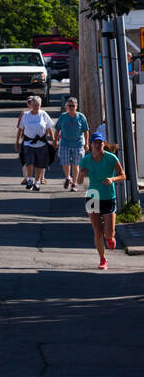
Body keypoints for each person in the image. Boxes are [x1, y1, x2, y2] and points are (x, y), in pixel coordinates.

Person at [78, 131, 127, 269]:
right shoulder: (85, 160)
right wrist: (82, 173)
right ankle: (102, 259)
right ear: (91, 145)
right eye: (96, 143)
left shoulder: (111, 158)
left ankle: (110, 237)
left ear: (103, 144)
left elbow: (123, 175)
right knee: (97, 230)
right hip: (93, 195)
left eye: (100, 142)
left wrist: (112, 179)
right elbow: (79, 182)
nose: (98, 145)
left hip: (108, 196)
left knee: (108, 232)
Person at [13, 95, 54, 191]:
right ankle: (30, 180)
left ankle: (37, 182)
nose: (36, 107)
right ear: (31, 105)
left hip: (41, 143)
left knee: (40, 164)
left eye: (38, 105)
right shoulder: (26, 115)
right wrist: (17, 142)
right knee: (29, 161)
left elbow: (49, 127)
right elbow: (20, 129)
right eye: (35, 105)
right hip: (28, 143)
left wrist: (53, 139)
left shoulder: (43, 114)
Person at [53, 96, 89, 190]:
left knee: (76, 164)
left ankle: (74, 184)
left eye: (73, 105)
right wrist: (55, 141)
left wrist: (87, 144)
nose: (71, 107)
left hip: (78, 144)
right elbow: (57, 129)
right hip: (65, 143)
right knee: (65, 162)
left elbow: (86, 131)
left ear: (76, 106)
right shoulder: (63, 116)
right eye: (70, 105)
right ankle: (68, 177)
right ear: (67, 106)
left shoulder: (81, 117)